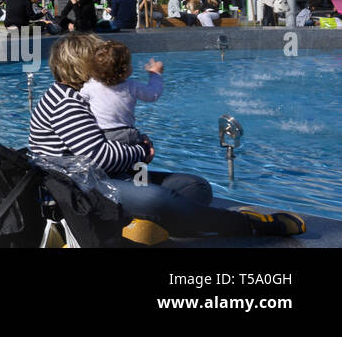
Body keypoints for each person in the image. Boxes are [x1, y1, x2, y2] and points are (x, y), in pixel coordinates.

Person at [29, 35, 304, 239]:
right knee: (156, 199)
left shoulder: (79, 96)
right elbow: (100, 157)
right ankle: (249, 224)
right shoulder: (66, 102)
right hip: (80, 190)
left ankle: (146, 225)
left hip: (103, 179)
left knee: (195, 187)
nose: (104, 62)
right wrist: (142, 152)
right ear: (82, 63)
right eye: (96, 56)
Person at [81, 40, 163, 145]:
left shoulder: (90, 86)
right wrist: (156, 74)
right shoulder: (132, 86)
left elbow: (79, 101)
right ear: (125, 70)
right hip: (127, 135)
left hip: (99, 135)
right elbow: (153, 94)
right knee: (143, 146)